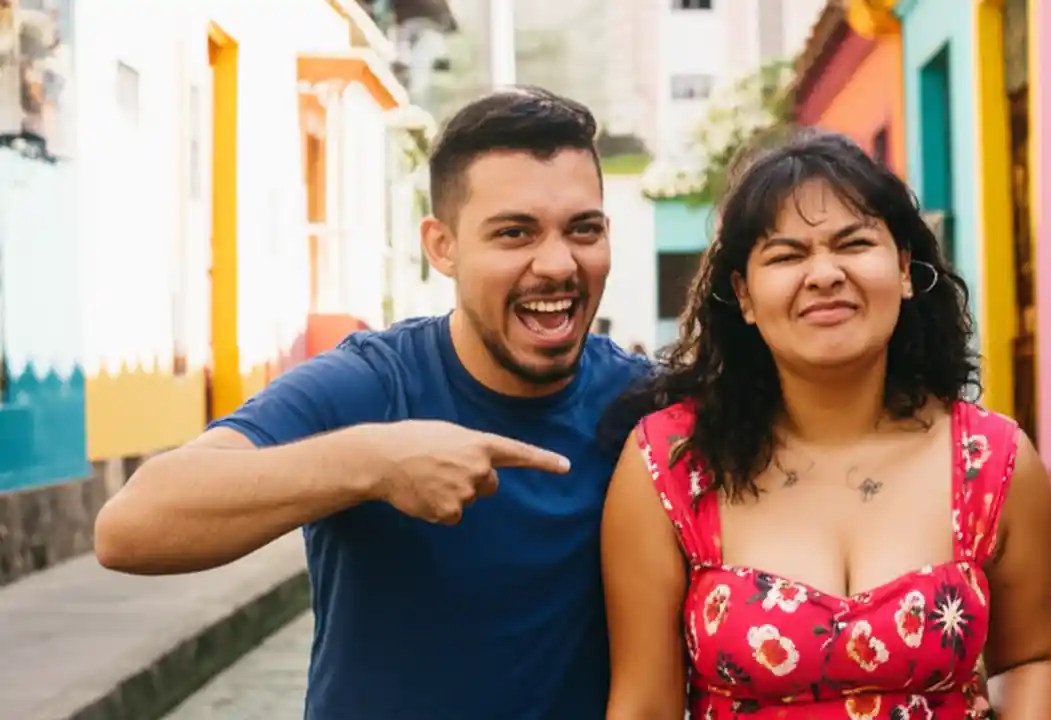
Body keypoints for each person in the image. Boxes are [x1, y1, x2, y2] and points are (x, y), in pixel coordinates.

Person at [93, 87, 650, 719]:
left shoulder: (647, 408)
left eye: (584, 230)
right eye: (514, 233)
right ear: (442, 246)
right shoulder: (371, 383)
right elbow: (128, 528)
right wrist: (374, 463)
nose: (556, 264)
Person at [600, 130, 1051, 719]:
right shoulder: (670, 464)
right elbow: (643, 706)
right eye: (787, 255)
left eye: (853, 243)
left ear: (902, 269)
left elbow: (1029, 660)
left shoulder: (992, 462)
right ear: (743, 295)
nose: (824, 274)